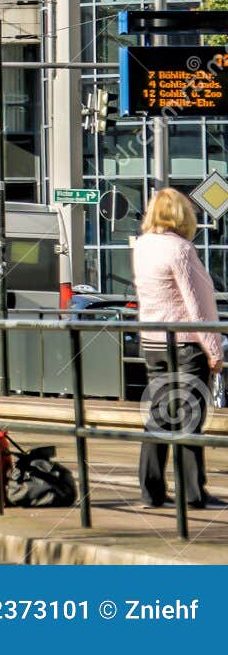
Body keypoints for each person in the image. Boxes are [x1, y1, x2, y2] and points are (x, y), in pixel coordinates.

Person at [133, 186, 223, 509]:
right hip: (186, 343)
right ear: (182, 215)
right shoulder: (181, 250)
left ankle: (151, 490)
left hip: (154, 342)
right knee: (189, 416)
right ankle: (192, 493)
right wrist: (214, 350)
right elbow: (197, 306)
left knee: (159, 415)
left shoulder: (142, 247)